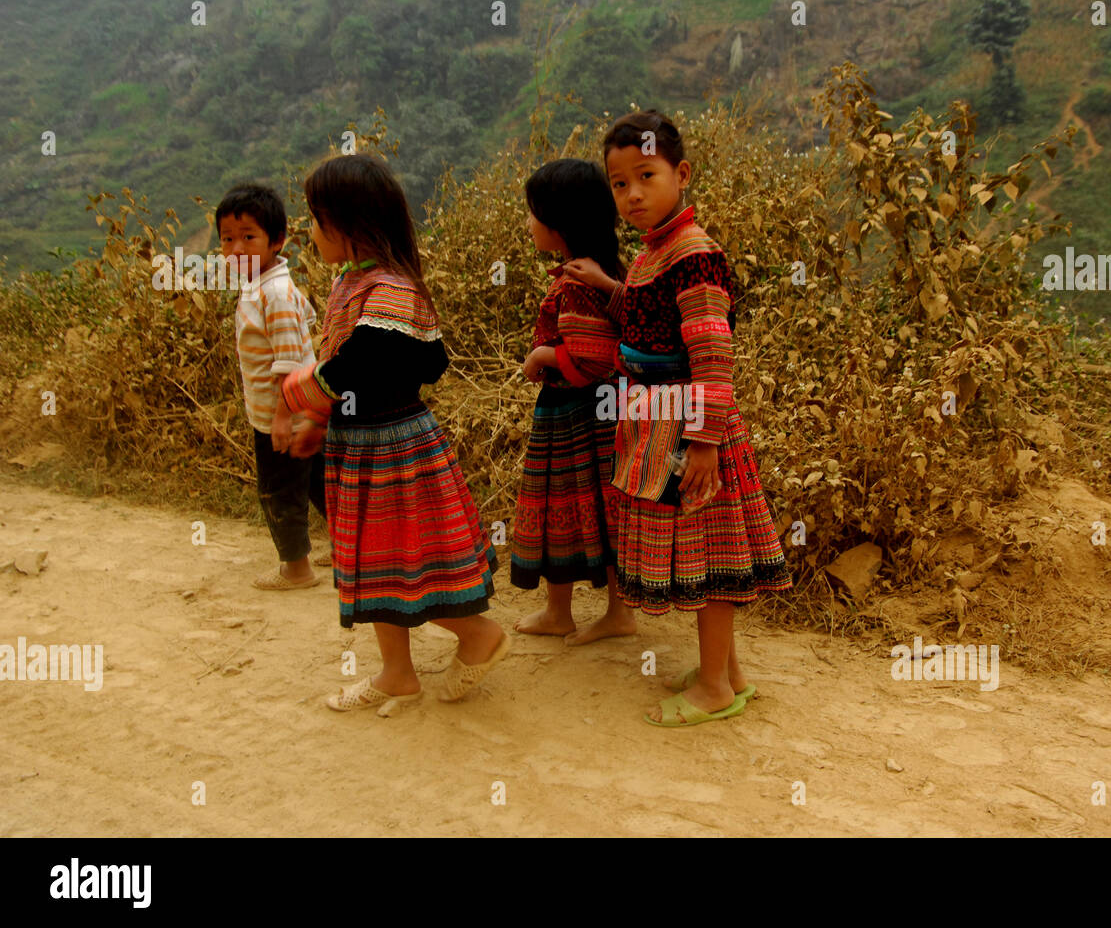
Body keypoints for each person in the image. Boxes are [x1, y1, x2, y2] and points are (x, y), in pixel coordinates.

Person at [565, 110, 793, 726]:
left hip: (688, 427)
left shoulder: (693, 253)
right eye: (619, 183)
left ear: (681, 173)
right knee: (705, 552)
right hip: (660, 420)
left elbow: (712, 354)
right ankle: (729, 673)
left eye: (646, 175)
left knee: (710, 558)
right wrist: (611, 289)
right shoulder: (654, 253)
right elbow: (651, 319)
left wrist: (703, 443)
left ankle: (715, 686)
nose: (632, 193)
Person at [281, 154, 509, 711]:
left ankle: (479, 636)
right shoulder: (354, 281)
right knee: (373, 558)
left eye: (315, 218)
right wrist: (322, 418)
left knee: (416, 554)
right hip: (361, 445)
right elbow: (371, 366)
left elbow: (371, 363)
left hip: (394, 446)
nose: (309, 232)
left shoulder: (389, 289)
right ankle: (397, 673)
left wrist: (304, 391)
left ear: (349, 222)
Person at [513, 159, 636, 646]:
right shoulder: (598, 272)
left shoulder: (577, 282)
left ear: (558, 222)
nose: (528, 223)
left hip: (579, 414)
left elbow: (591, 357)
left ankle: (594, 612)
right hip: (591, 413)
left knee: (568, 504)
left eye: (532, 213)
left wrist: (541, 355)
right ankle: (571, 611)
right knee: (587, 508)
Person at [218, 183, 328, 590]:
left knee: (279, 490)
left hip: (282, 416)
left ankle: (296, 569)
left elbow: (288, 359)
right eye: (227, 239)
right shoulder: (268, 286)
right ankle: (348, 544)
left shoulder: (274, 292)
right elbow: (307, 327)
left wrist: (283, 416)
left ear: (276, 240)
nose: (235, 249)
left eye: (248, 237)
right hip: (299, 410)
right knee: (317, 479)